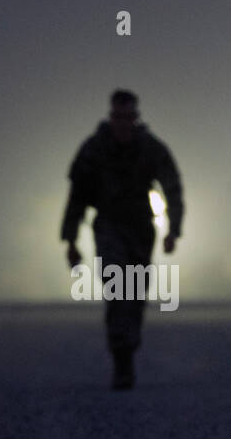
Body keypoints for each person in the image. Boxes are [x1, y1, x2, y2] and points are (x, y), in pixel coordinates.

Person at [60, 89, 184, 389]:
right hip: (108, 227)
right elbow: (77, 197)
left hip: (141, 228)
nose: (124, 125)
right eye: (119, 117)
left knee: (136, 293)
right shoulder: (94, 149)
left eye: (129, 118)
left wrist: (172, 231)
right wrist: (71, 241)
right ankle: (122, 359)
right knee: (118, 289)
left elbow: (172, 188)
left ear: (136, 117)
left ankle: (128, 346)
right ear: (111, 116)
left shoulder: (151, 148)